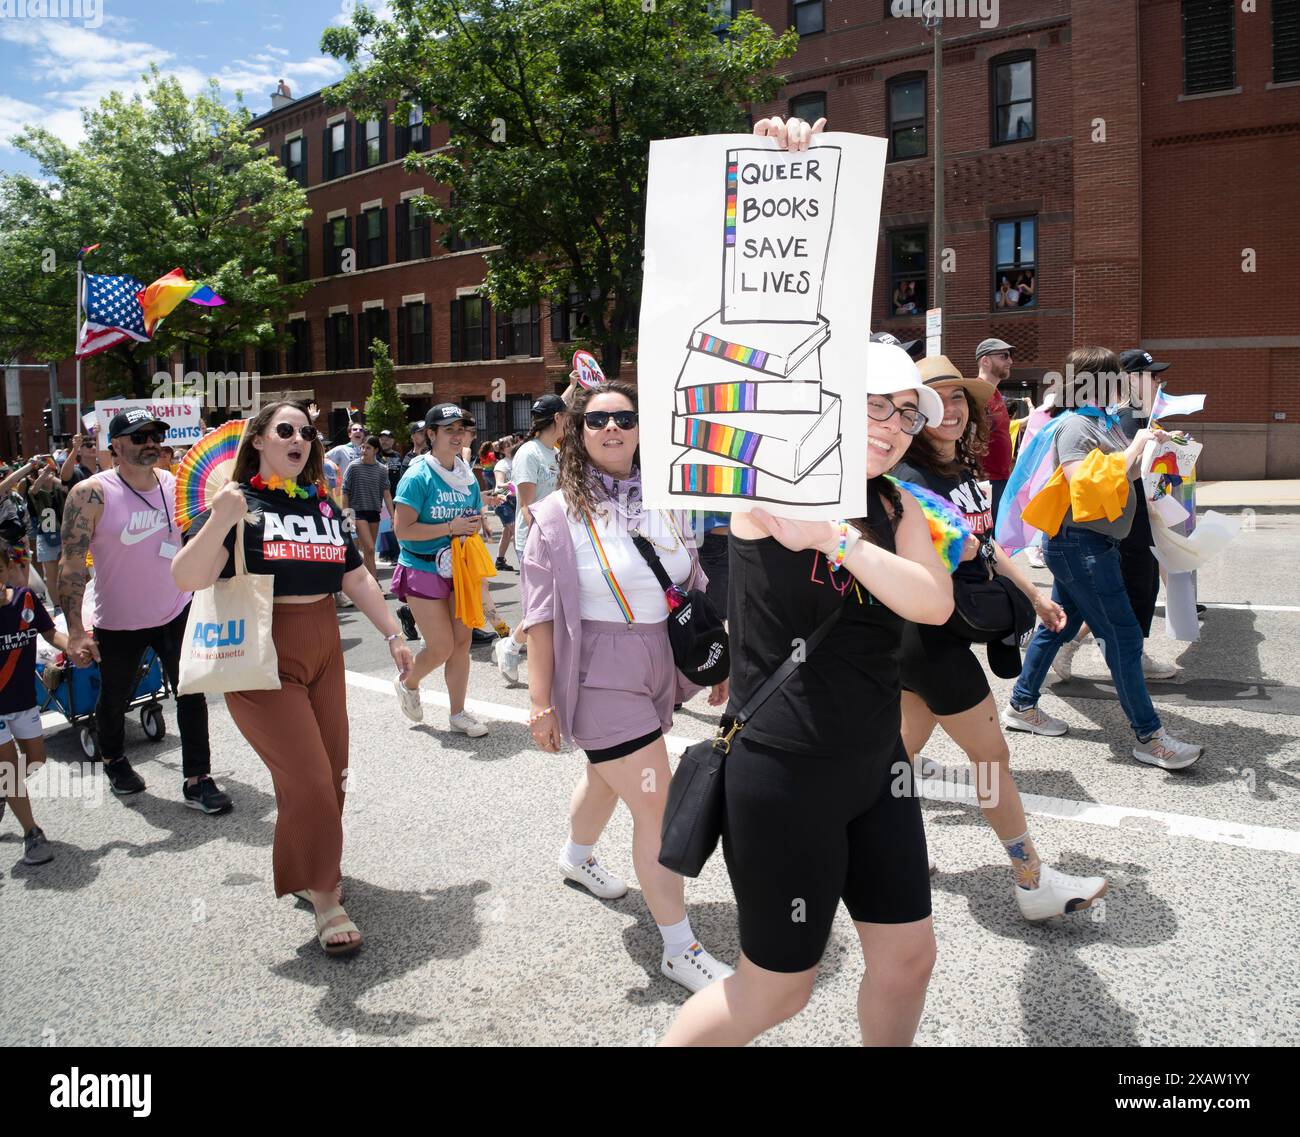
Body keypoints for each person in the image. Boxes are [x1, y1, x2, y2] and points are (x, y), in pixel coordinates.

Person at [663, 332, 952, 1046]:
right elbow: (746, 453)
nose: (892, 426)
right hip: (785, 770)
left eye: (906, 414)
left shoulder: (896, 508)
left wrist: (839, 539)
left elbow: (933, 603)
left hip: (878, 761)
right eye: (876, 405)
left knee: (909, 957)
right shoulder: (766, 487)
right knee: (778, 988)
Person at [173, 402, 413, 955]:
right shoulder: (235, 504)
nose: (300, 439)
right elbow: (185, 576)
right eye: (286, 430)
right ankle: (326, 898)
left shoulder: (324, 507)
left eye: (307, 432)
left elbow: (355, 576)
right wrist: (221, 518)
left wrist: (394, 636)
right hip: (260, 654)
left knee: (334, 772)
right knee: (308, 779)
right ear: (258, 440)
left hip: (324, 645)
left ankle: (313, 869)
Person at [520, 381, 732, 993]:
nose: (612, 428)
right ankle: (678, 947)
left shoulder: (667, 496)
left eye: (625, 418)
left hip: (662, 655)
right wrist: (541, 702)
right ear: (577, 433)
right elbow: (537, 618)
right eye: (597, 420)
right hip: (600, 671)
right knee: (655, 803)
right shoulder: (554, 516)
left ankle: (576, 856)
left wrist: (713, 659)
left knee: (607, 775)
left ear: (641, 427)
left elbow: (690, 573)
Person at [893, 356, 1109, 918]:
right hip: (925, 639)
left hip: (949, 630)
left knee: (897, 755)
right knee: (992, 759)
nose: (951, 410)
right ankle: (1032, 880)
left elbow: (989, 547)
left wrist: (1037, 596)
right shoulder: (904, 479)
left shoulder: (965, 474)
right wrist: (945, 548)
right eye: (934, 401)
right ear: (913, 415)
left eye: (959, 399)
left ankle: (881, 851)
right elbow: (903, 557)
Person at [1003, 347, 1204, 770]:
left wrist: (1149, 449)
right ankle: (1150, 738)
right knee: (1124, 637)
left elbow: (1121, 477)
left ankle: (1021, 706)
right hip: (1081, 545)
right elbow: (1085, 486)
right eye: (1116, 376)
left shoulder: (1102, 422)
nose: (1126, 384)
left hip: (1088, 544)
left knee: (1060, 624)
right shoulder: (1076, 425)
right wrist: (1134, 448)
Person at [58, 409, 231, 812]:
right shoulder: (90, 494)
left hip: (176, 609)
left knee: (191, 692)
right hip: (119, 620)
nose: (150, 442)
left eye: (154, 435)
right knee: (115, 697)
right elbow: (70, 564)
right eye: (138, 437)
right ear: (115, 446)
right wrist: (76, 633)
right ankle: (114, 758)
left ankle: (198, 779)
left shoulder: (175, 485)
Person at [389, 404, 491, 737]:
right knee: (441, 646)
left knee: (462, 643)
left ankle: (458, 713)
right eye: (449, 430)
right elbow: (402, 530)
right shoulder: (417, 476)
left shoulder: (466, 476)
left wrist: (474, 524)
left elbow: (470, 520)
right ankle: (409, 681)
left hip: (459, 569)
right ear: (430, 434)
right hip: (422, 568)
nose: (457, 435)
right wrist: (451, 526)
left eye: (461, 429)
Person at [0, 540, 68, 865]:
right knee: (10, 770)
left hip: (24, 700)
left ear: (8, 569)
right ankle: (32, 833)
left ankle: (3, 789)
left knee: (36, 761)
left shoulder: (25, 600)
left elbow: (51, 633)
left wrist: (77, 645)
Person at [494, 394, 565, 683]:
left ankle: (514, 647)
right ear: (558, 419)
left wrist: (572, 386)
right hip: (535, 543)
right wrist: (543, 542)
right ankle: (511, 647)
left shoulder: (553, 451)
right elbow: (527, 509)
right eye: (566, 416)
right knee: (542, 607)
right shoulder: (529, 453)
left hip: (556, 538)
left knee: (554, 604)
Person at [341, 435, 395, 581]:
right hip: (357, 513)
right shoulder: (353, 466)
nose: (363, 450)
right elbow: (345, 491)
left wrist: (393, 516)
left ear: (376, 450)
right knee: (370, 549)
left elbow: (387, 494)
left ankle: (364, 583)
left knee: (368, 552)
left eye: (368, 448)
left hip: (374, 513)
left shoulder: (382, 469)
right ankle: (375, 584)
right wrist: (347, 516)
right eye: (362, 447)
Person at [975, 338, 1015, 519]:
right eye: (1004, 356)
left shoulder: (996, 394)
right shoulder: (976, 393)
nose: (1010, 361)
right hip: (984, 482)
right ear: (985, 361)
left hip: (1000, 480)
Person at [25, 464, 64, 611]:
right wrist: (42, 476)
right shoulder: (36, 492)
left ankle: (70, 602)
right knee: (51, 574)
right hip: (46, 536)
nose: (47, 473)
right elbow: (34, 489)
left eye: (50, 470)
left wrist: (52, 477)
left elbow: (68, 487)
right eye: (43, 471)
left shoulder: (60, 488)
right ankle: (57, 606)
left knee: (66, 574)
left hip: (65, 535)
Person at [491, 436, 517, 572]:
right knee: (517, 532)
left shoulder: (518, 460)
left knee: (507, 533)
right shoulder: (502, 464)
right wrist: (509, 484)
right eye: (506, 445)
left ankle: (500, 560)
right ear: (502, 450)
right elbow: (499, 484)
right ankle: (525, 562)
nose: (510, 446)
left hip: (515, 500)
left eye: (511, 443)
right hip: (503, 502)